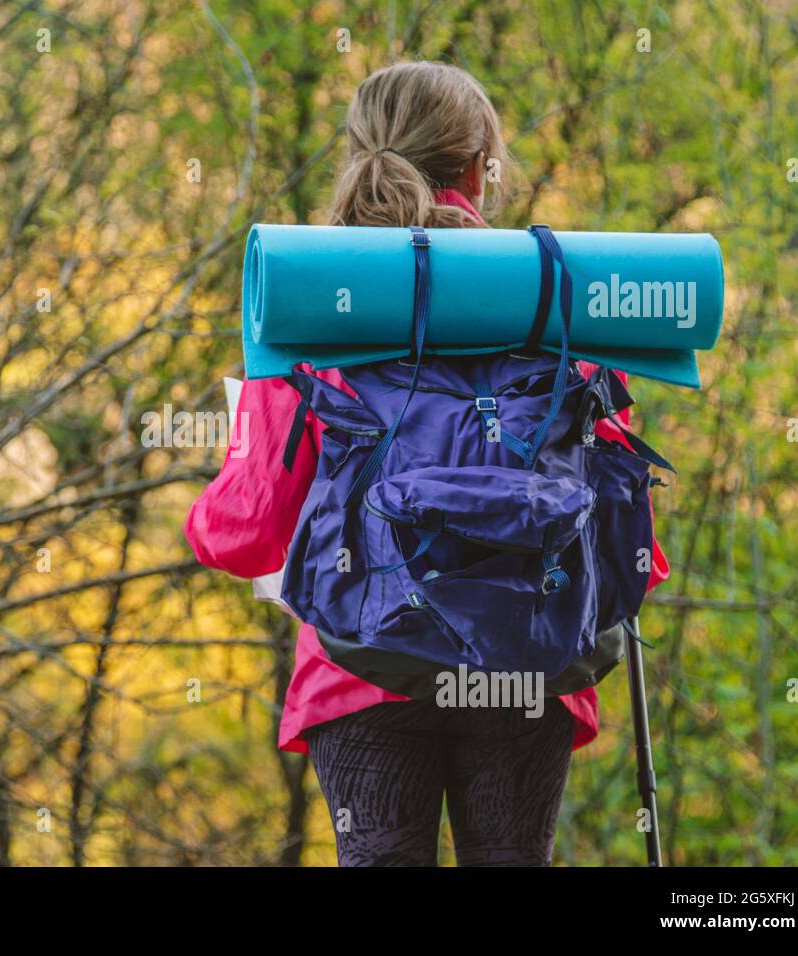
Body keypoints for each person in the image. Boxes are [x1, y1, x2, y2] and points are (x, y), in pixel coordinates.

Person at [184, 61, 670, 866]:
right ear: (482, 168)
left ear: (360, 157)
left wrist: (205, 516)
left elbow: (247, 535)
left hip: (364, 664)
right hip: (531, 661)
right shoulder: (556, 302)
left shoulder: (313, 307)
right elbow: (635, 554)